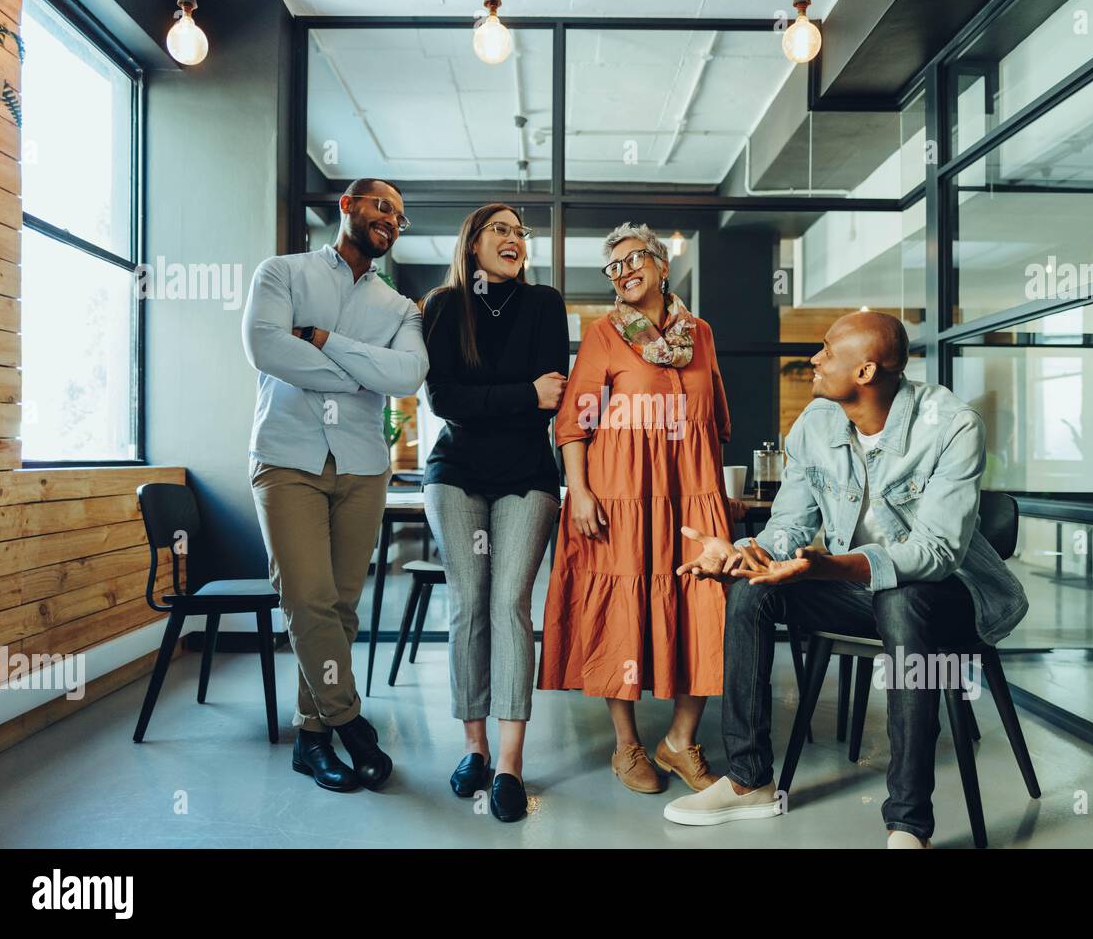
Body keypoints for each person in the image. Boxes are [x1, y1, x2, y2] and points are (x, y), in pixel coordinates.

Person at [666, 311, 1029, 847]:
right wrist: (746, 553)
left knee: (902, 603)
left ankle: (908, 824)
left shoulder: (951, 425)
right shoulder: (816, 423)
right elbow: (791, 525)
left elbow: (936, 552)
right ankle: (749, 781)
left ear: (864, 371)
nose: (814, 358)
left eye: (828, 351)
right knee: (751, 591)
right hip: (857, 590)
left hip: (954, 596)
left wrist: (832, 566)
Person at [538, 223, 741, 796]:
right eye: (614, 266)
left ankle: (679, 741)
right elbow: (574, 424)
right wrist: (578, 493)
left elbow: (715, 422)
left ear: (661, 266)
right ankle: (626, 746)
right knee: (621, 610)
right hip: (620, 497)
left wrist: (715, 496)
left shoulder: (700, 334)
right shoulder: (604, 335)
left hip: (689, 494)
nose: (624, 271)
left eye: (634, 260)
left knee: (702, 605)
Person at [242, 178, 428, 794]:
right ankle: (349, 725)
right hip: (287, 458)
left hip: (361, 467)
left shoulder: (399, 308)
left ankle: (311, 736)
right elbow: (266, 349)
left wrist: (322, 340)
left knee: (340, 609)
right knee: (307, 598)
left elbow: (407, 375)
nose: (391, 220)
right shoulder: (283, 274)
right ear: (346, 206)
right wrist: (358, 373)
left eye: (399, 216)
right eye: (382, 206)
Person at [420, 203, 569, 823]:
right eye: (500, 230)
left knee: (509, 602)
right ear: (473, 242)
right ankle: (474, 748)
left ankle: (510, 761)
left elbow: (552, 397)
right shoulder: (444, 306)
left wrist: (513, 401)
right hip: (456, 474)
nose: (513, 239)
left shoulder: (545, 304)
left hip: (528, 477)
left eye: (519, 232)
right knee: (468, 603)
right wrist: (521, 394)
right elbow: (445, 399)